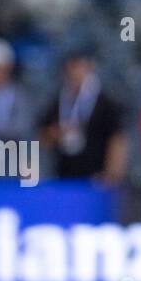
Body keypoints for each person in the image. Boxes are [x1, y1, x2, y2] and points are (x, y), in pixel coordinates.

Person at [39, 49, 127, 183]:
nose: (75, 73)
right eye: (71, 67)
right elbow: (42, 135)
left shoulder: (105, 102)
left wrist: (111, 174)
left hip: (96, 178)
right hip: (63, 176)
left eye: (79, 67)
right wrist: (56, 133)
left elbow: (117, 138)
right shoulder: (58, 100)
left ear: (89, 68)